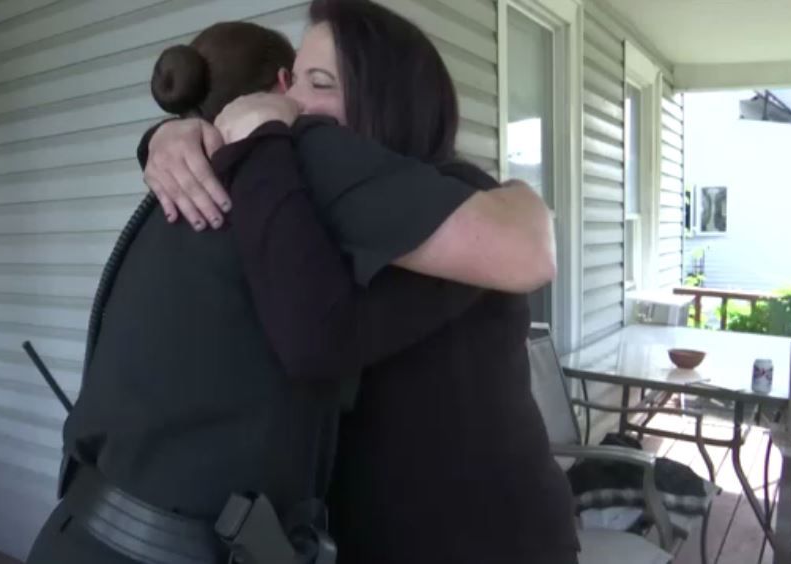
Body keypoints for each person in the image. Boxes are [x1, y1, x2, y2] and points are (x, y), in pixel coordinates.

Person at [145, 2, 579, 563]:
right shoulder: (309, 203)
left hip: (496, 540)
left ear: (389, 103)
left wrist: (256, 140)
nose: (291, 104)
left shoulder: (449, 196)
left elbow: (318, 335)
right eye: (292, 79)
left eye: (319, 83)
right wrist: (173, 136)